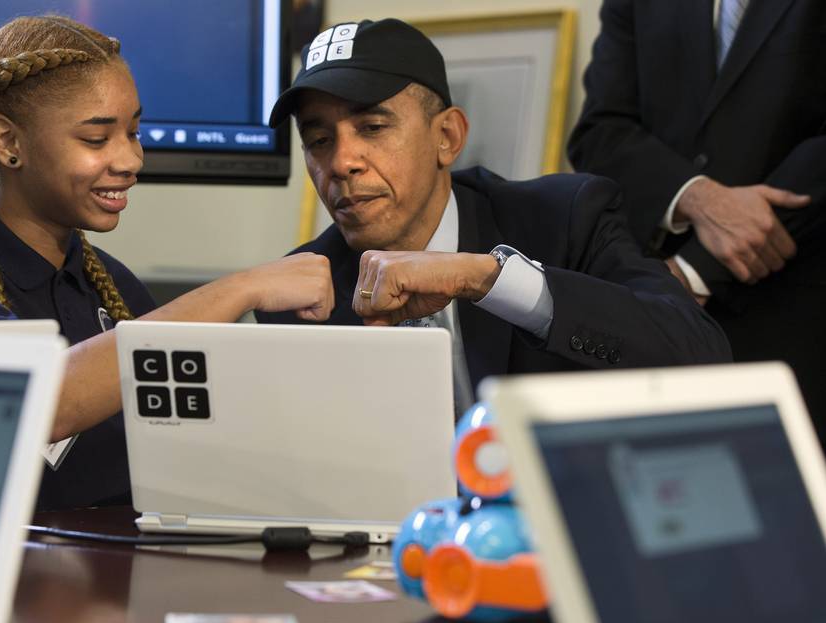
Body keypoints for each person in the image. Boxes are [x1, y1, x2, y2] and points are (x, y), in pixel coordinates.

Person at [0, 15, 334, 511]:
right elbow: (39, 403)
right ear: (7, 143)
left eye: (133, 132)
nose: (131, 160)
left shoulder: (116, 287)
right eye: (96, 139)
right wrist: (241, 289)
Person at [257, 18, 731, 404]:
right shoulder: (301, 297)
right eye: (318, 140)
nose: (341, 162)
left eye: (373, 127)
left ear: (447, 138)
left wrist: (488, 280)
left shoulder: (564, 220)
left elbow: (701, 356)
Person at [568, 0, 826, 435]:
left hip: (797, 328)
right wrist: (697, 197)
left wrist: (695, 269)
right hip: (654, 329)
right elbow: (599, 133)